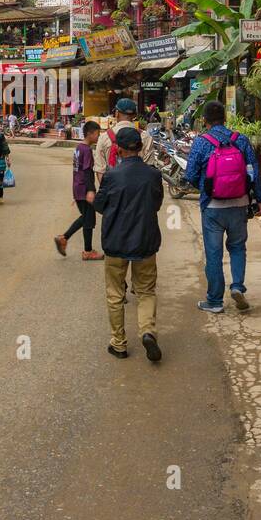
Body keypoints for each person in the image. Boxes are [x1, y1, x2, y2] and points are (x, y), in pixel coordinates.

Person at [185, 100, 261, 314]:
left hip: (212, 207)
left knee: (214, 254)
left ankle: (215, 301)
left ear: (205, 120)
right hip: (239, 204)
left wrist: (206, 188)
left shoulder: (202, 142)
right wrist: (258, 198)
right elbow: (253, 171)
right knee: (238, 247)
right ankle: (237, 286)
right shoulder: (240, 140)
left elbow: (190, 174)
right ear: (225, 118)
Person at [93, 125, 164, 362]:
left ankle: (119, 343)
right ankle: (147, 332)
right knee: (145, 291)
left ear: (119, 150)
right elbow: (155, 204)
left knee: (115, 294)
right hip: (145, 242)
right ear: (141, 147)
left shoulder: (112, 176)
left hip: (115, 242)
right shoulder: (153, 175)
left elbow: (100, 206)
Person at [54, 120, 103, 261]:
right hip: (84, 188)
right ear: (90, 133)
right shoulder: (86, 150)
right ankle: (85, 250)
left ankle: (65, 239)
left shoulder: (78, 148)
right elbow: (87, 171)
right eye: (97, 134)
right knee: (88, 219)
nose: (98, 137)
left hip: (78, 187)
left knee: (87, 218)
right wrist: (91, 190)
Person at [93, 97, 153, 184]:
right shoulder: (146, 137)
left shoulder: (104, 137)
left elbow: (100, 171)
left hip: (113, 190)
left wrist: (107, 192)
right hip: (138, 191)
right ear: (135, 115)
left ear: (117, 113)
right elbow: (149, 169)